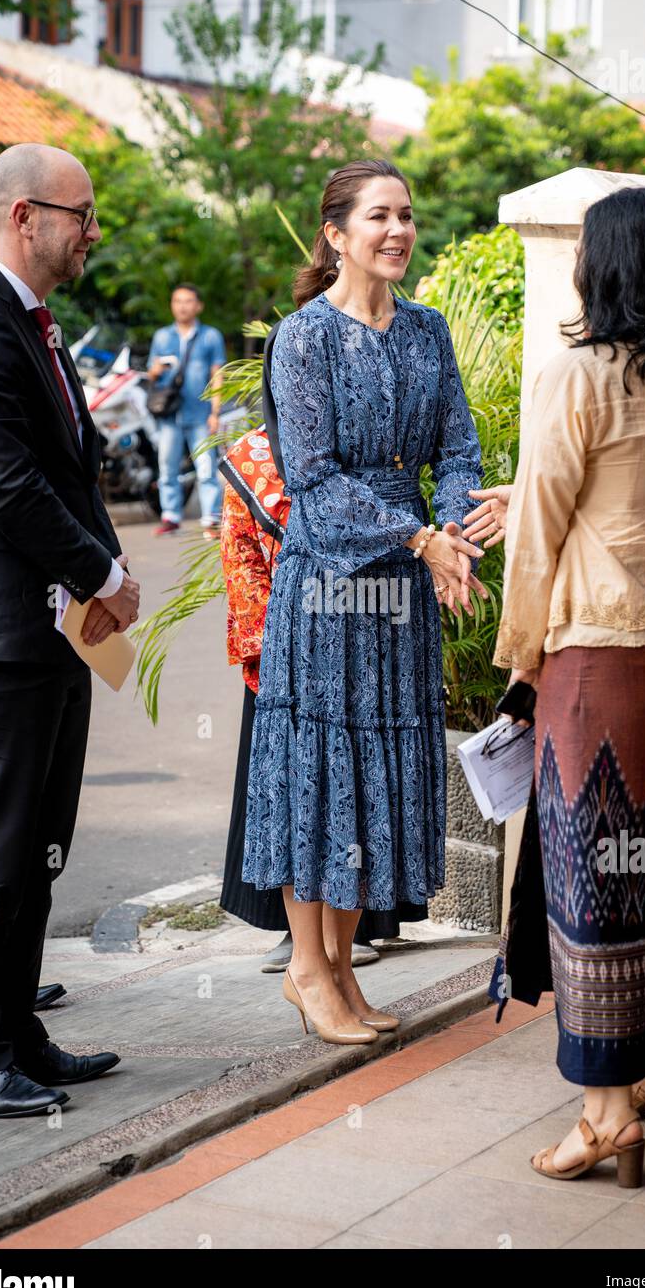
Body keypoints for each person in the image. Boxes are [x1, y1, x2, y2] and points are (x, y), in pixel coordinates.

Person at [492, 187, 645, 1186]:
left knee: (592, 875)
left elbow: (534, 535)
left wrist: (517, 664)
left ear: (604, 272)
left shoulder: (577, 378)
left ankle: (602, 1114)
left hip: (603, 658)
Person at [240, 158, 486, 1045]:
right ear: (336, 235)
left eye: (408, 216)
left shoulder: (427, 331)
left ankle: (342, 970)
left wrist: (455, 531)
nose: (398, 231)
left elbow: (459, 451)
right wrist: (421, 539)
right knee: (322, 779)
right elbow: (310, 480)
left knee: (372, 781)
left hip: (403, 599)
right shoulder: (302, 338)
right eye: (378, 216)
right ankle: (308, 971)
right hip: (329, 596)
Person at [0, 142, 139, 1119]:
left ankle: (19, 1036)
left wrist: (107, 577)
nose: (91, 231)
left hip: (52, 632)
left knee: (43, 844)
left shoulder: (35, 323)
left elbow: (71, 471)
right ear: (24, 217)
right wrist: (100, 568)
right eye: (80, 214)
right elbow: (4, 484)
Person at [218, 329, 430, 972]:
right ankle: (308, 954)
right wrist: (262, 653)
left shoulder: (376, 457)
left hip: (374, 629)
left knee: (361, 780)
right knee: (305, 790)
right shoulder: (257, 460)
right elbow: (245, 560)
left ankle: (346, 943)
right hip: (298, 639)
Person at [147, 284, 226, 540]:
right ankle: (170, 516)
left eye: (188, 301)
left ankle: (211, 519)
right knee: (167, 467)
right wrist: (156, 370)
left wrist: (215, 412)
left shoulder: (210, 336)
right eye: (177, 301)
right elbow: (151, 373)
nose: (182, 306)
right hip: (170, 415)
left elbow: (218, 375)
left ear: (198, 305)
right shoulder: (162, 337)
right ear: (172, 305)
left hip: (200, 413)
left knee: (206, 468)